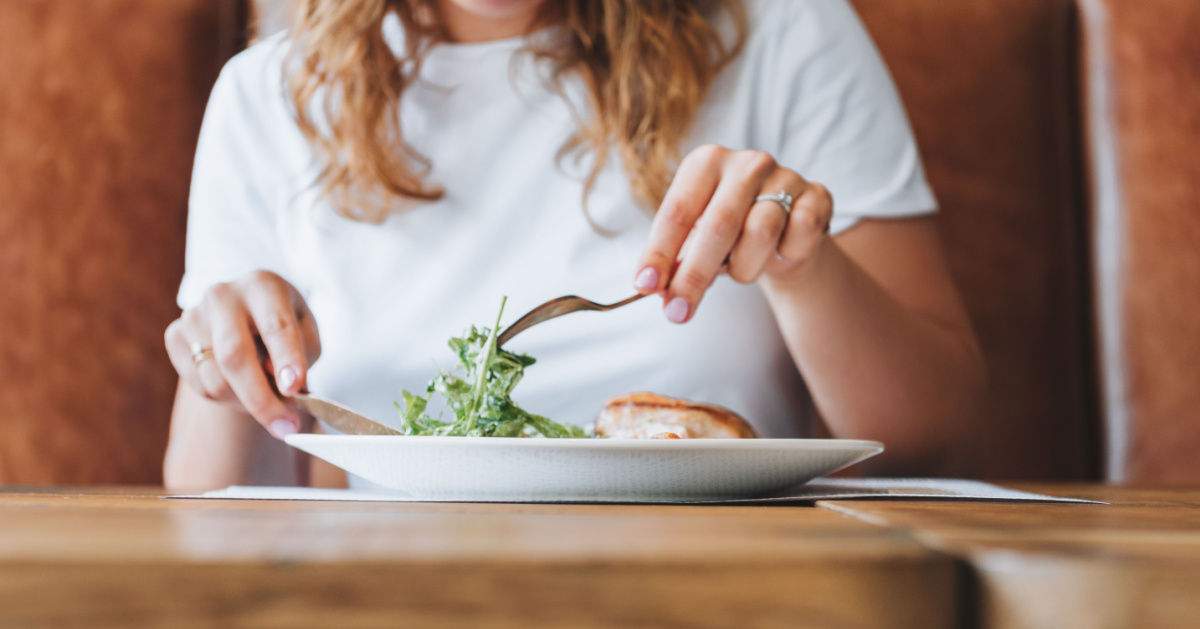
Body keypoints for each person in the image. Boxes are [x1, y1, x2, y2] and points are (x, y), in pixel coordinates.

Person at [163, 0, 986, 490]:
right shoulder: (269, 99)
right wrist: (227, 375)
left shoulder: (782, 35)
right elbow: (216, 511)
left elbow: (927, 430)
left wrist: (804, 269)